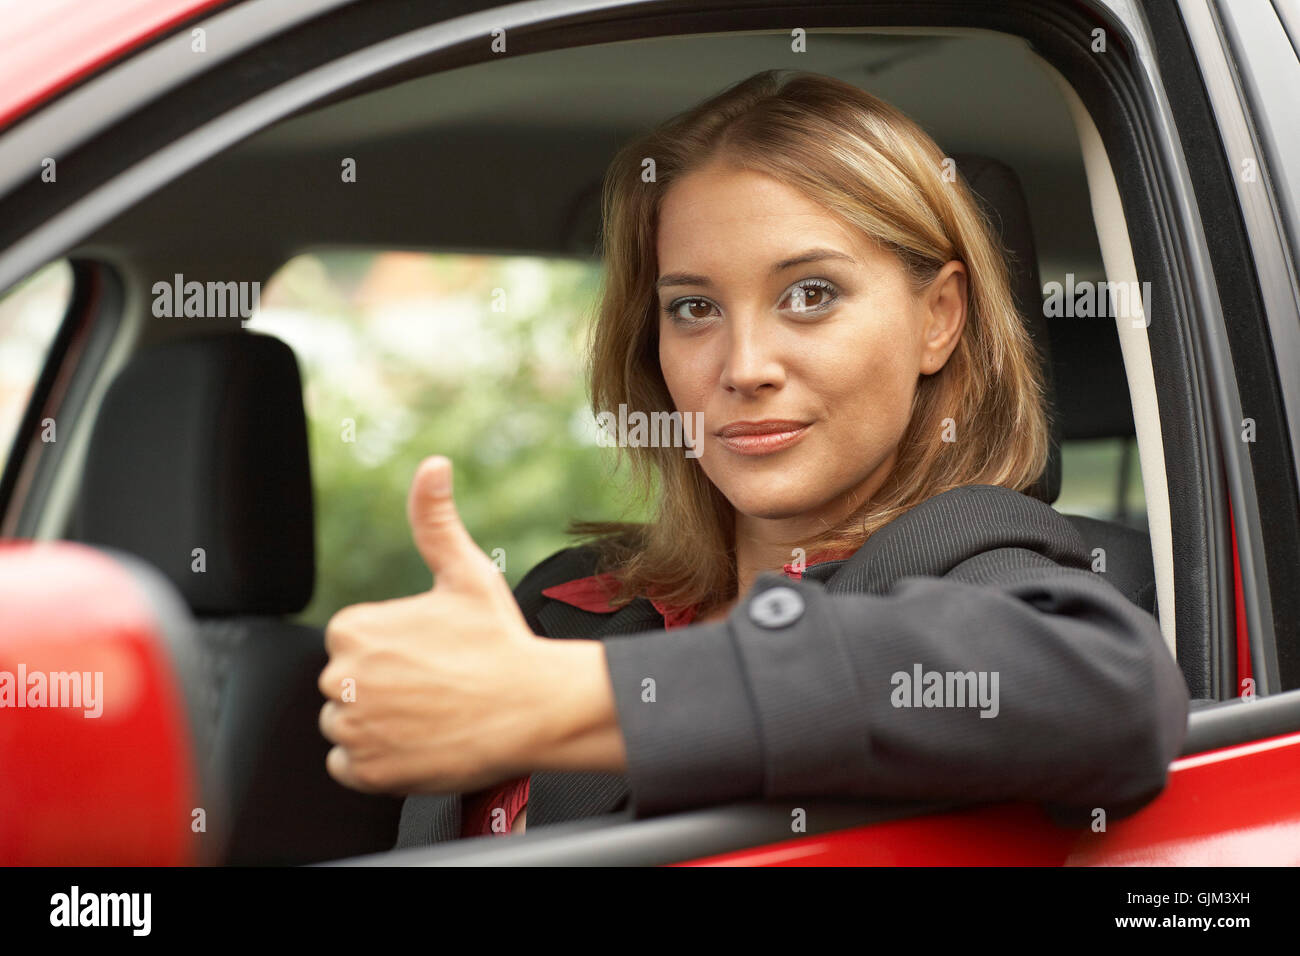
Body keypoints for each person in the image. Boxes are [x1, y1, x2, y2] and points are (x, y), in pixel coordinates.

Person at [316, 69, 1190, 847]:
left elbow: (1106, 689)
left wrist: (583, 701)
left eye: (810, 295)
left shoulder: (988, 569)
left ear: (939, 318)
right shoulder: (564, 602)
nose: (742, 368)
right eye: (693, 308)